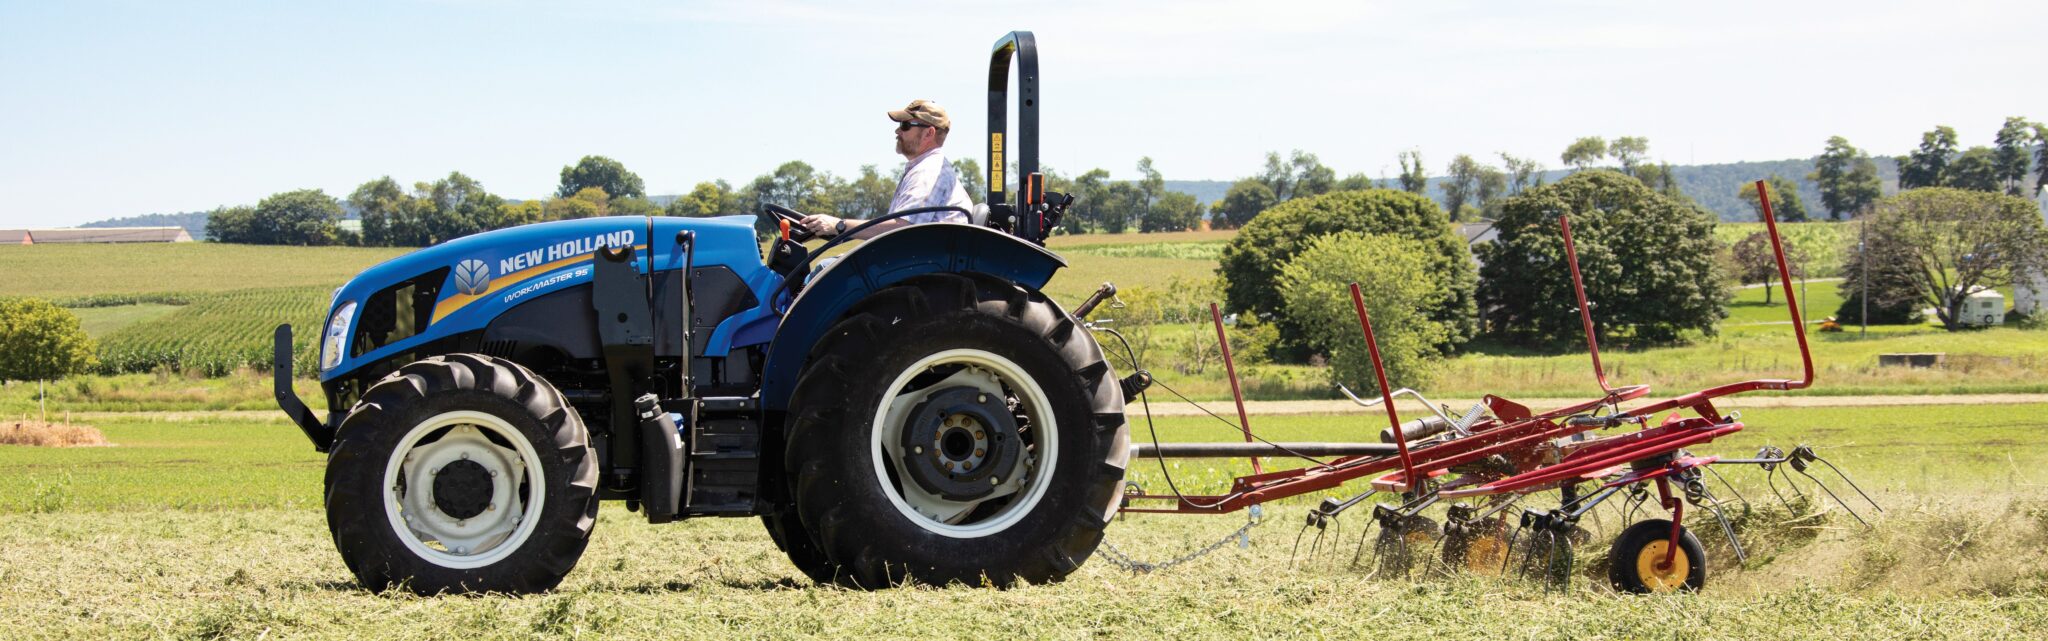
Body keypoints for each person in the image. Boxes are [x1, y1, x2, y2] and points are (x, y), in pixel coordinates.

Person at [798, 100, 974, 240]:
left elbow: (902, 229)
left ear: (929, 133)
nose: (898, 130)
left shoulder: (928, 173)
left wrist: (839, 225)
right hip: (920, 259)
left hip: (921, 264)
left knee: (823, 270)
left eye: (906, 125)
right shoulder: (926, 168)